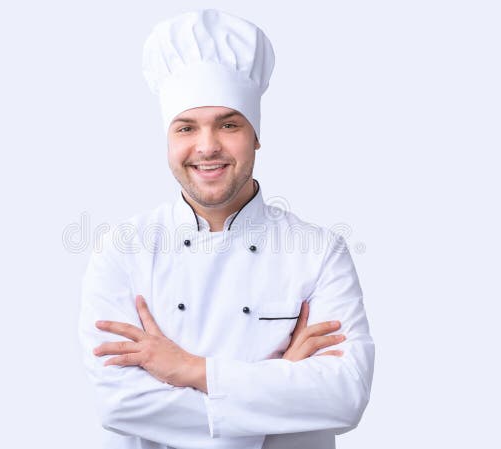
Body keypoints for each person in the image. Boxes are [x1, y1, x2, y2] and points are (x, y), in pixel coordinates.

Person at [78, 9, 375, 449]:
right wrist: (281, 384)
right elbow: (119, 405)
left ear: (256, 134)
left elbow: (344, 396)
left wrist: (191, 370)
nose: (207, 146)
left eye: (229, 124)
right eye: (186, 128)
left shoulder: (319, 251)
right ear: (168, 140)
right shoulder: (122, 250)